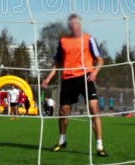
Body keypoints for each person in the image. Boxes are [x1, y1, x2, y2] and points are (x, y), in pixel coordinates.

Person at [42, 14, 107, 157]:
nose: (74, 26)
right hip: (68, 79)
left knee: (94, 109)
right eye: (71, 24)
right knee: (63, 112)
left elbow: (100, 60)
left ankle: (100, 146)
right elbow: (57, 63)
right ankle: (62, 140)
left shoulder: (89, 39)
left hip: (86, 78)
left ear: (80, 25)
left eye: (76, 24)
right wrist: (48, 78)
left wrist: (95, 72)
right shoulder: (63, 41)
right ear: (69, 26)